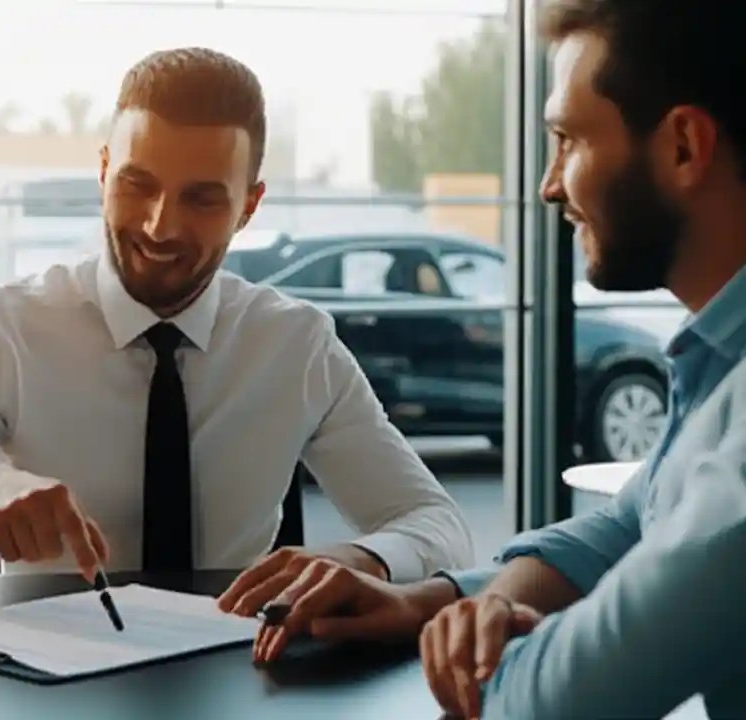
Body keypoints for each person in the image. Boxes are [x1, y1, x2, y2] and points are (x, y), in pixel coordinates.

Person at [236, 2, 746, 718]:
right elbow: (623, 528)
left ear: (684, 147)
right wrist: (435, 603)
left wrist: (487, 644)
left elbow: (556, 700)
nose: (549, 185)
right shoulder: (720, 357)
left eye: (567, 140)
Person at [0, 47, 472, 588]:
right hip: (52, 676)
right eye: (137, 185)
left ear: (249, 206)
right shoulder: (6, 329)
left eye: (201, 198)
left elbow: (436, 526)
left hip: (238, 675)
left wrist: (362, 560)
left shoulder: (296, 344)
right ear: (103, 171)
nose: (159, 225)